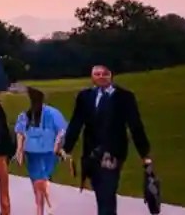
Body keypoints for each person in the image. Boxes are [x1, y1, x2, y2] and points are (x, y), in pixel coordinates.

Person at [61, 65, 152, 215]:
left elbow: (135, 125)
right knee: (101, 193)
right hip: (91, 155)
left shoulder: (124, 97)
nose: (101, 77)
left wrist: (145, 154)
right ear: (92, 77)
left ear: (111, 76)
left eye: (105, 74)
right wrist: (67, 148)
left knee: (107, 193)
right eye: (97, 74)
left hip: (113, 154)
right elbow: (76, 123)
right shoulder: (85, 96)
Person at [14, 87, 67, 215]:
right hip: (32, 155)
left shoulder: (52, 113)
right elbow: (20, 132)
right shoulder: (25, 115)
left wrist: (58, 146)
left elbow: (62, 130)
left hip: (48, 155)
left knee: (41, 183)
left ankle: (43, 210)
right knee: (37, 184)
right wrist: (19, 150)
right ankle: (42, 209)